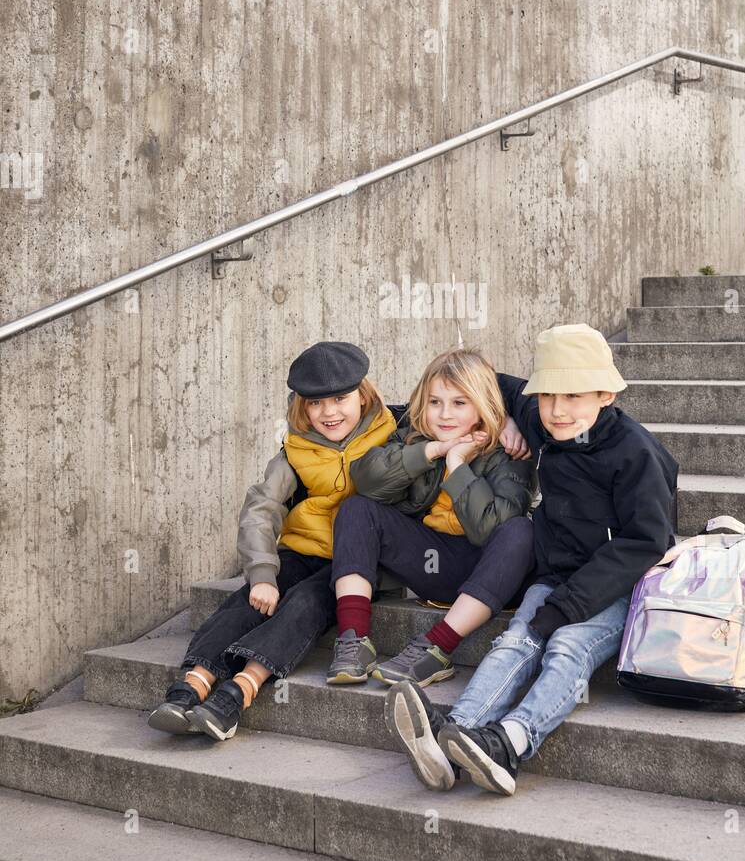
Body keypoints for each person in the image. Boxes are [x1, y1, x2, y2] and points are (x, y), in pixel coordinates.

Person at [385, 323, 678, 793]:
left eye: (573, 397)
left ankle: (509, 743)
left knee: (566, 648)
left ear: (605, 394)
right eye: (547, 398)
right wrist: (502, 417)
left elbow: (645, 544)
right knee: (516, 640)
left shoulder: (636, 453)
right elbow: (489, 380)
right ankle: (453, 733)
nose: (558, 412)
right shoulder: (541, 419)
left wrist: (564, 609)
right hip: (555, 574)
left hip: (620, 585)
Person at [148, 341, 397, 740]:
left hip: (358, 563)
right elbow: (262, 508)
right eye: (315, 404)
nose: (329, 412)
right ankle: (192, 683)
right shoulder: (296, 448)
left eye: (339, 398)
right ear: (301, 406)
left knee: (306, 602)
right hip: (303, 549)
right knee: (253, 597)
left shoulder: (393, 434)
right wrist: (263, 572)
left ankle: (238, 693)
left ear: (363, 395)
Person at [326, 347, 536, 688]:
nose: (444, 414)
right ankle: (353, 640)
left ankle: (436, 648)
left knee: (520, 530)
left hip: (492, 574)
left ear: (482, 404)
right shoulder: (415, 435)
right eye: (435, 402)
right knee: (357, 508)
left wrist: (457, 466)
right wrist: (433, 451)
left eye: (459, 403)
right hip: (432, 564)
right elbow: (367, 479)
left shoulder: (509, 451)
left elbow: (489, 529)